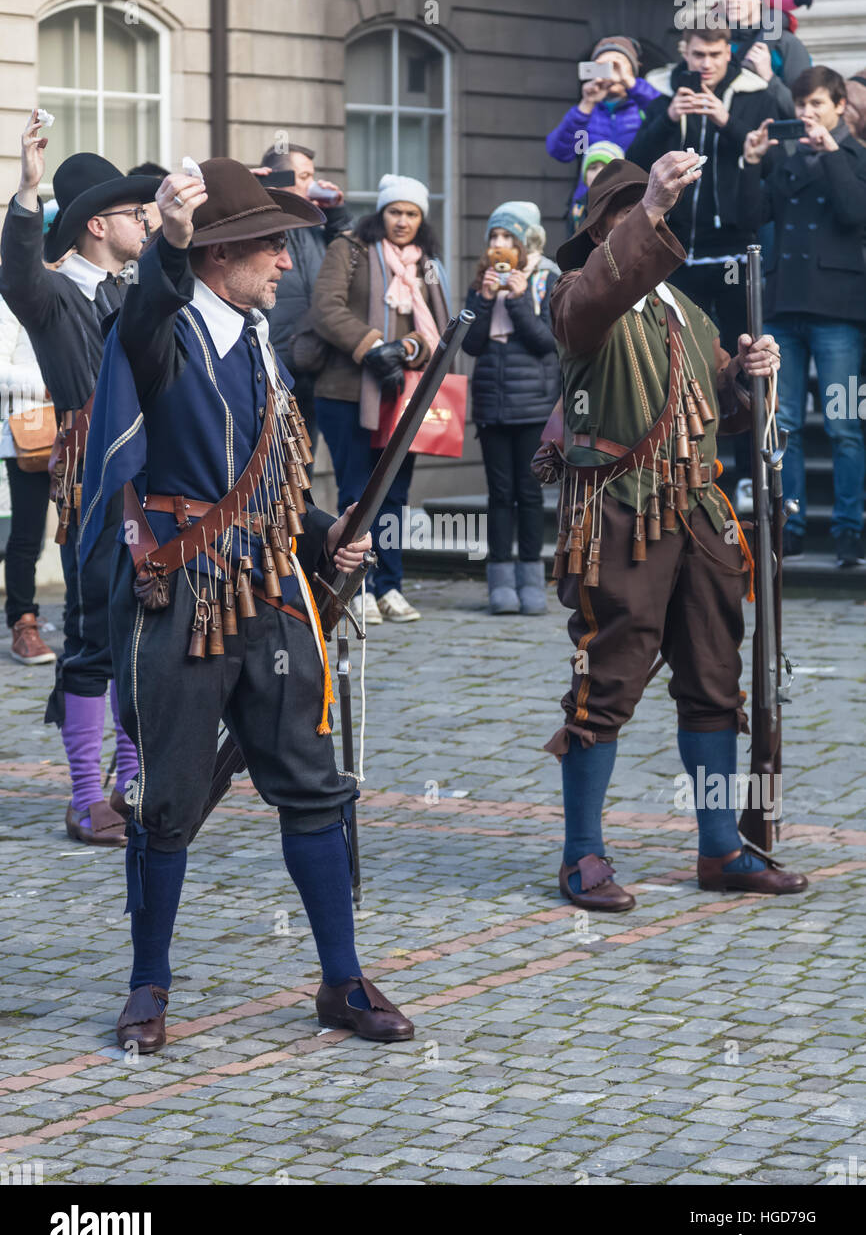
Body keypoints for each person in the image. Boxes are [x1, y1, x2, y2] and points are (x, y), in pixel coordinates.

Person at [78, 158, 414, 1053]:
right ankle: (149, 985)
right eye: (269, 244)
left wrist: (321, 532)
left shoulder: (263, 340)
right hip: (178, 592)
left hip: (269, 588)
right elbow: (147, 306)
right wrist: (172, 244)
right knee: (169, 803)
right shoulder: (163, 325)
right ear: (218, 255)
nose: (286, 262)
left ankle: (341, 981)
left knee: (312, 787)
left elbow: (264, 479)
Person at [545, 153, 808, 909]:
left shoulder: (688, 313)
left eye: (649, 208)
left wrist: (751, 374)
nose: (643, 219)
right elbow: (592, 302)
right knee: (607, 680)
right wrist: (650, 202)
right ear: (602, 229)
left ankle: (722, 846)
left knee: (716, 685)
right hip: (621, 512)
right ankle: (581, 855)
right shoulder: (573, 294)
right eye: (625, 212)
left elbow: (723, 412)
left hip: (699, 513)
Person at [0, 112, 160, 846]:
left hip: (153, 483)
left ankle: (134, 786)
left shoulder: (136, 291)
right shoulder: (58, 293)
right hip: (92, 485)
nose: (144, 223)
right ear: (98, 224)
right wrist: (28, 193)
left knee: (143, 635)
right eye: (134, 212)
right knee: (95, 634)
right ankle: (85, 796)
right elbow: (18, 276)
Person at [627, 22, 777, 495]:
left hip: (732, 246)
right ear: (684, 53)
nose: (705, 64)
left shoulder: (753, 94)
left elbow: (768, 162)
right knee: (677, 360)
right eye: (697, 54)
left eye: (714, 54)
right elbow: (635, 164)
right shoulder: (662, 95)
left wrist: (725, 121)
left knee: (743, 360)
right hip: (678, 248)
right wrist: (669, 117)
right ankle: (682, 466)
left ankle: (751, 476)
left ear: (727, 52)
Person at [310, 174, 450, 626]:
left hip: (403, 396)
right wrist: (374, 345)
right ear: (381, 213)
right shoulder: (349, 248)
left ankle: (390, 586)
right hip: (347, 392)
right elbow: (326, 309)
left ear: (421, 219)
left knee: (394, 496)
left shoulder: (426, 263)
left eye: (411, 213)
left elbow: (440, 329)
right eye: (395, 211)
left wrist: (408, 349)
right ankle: (355, 588)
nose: (402, 221)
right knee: (357, 492)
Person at [740, 67, 866, 568]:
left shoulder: (856, 157)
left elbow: (855, 213)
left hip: (839, 312)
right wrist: (750, 163)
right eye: (801, 105)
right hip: (786, 307)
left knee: (844, 425)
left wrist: (832, 155)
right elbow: (749, 218)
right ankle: (787, 527)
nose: (806, 114)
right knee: (782, 423)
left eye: (816, 104)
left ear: (840, 107)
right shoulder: (783, 159)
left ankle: (848, 532)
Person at [462, 201, 560, 615]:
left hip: (533, 405)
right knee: (499, 495)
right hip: (491, 404)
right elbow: (470, 344)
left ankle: (531, 578)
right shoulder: (481, 281)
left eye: (508, 237)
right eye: (494, 237)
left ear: (526, 242)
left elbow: (547, 343)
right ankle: (500, 579)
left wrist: (517, 300)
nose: (499, 245)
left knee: (530, 494)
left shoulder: (547, 278)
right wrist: (485, 300)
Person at [257, 141, 352, 457]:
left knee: (305, 461)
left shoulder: (315, 223)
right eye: (302, 176)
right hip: (277, 366)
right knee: (276, 462)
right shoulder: (260, 221)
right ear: (278, 179)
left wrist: (336, 213)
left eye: (312, 175)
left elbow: (352, 255)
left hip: (318, 360)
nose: (310, 184)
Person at [545, 38, 660, 235]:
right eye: (604, 66)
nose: (611, 72)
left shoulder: (643, 104)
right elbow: (559, 151)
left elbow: (666, 118)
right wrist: (586, 104)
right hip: (591, 207)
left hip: (635, 203)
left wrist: (631, 84)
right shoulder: (588, 112)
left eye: (616, 65)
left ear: (632, 68)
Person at [0, 288, 53, 664]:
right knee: (27, 535)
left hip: (80, 422)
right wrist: (50, 382)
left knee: (84, 530)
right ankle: (23, 622)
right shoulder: (10, 296)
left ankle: (89, 617)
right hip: (29, 432)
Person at [719, 0, 812, 117]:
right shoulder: (716, 42)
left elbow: (804, 113)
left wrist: (768, 76)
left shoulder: (787, 44)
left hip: (773, 139)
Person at [568, 141, 624, 232]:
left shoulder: (628, 207)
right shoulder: (578, 209)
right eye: (593, 168)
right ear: (585, 176)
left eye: (606, 168)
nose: (599, 173)